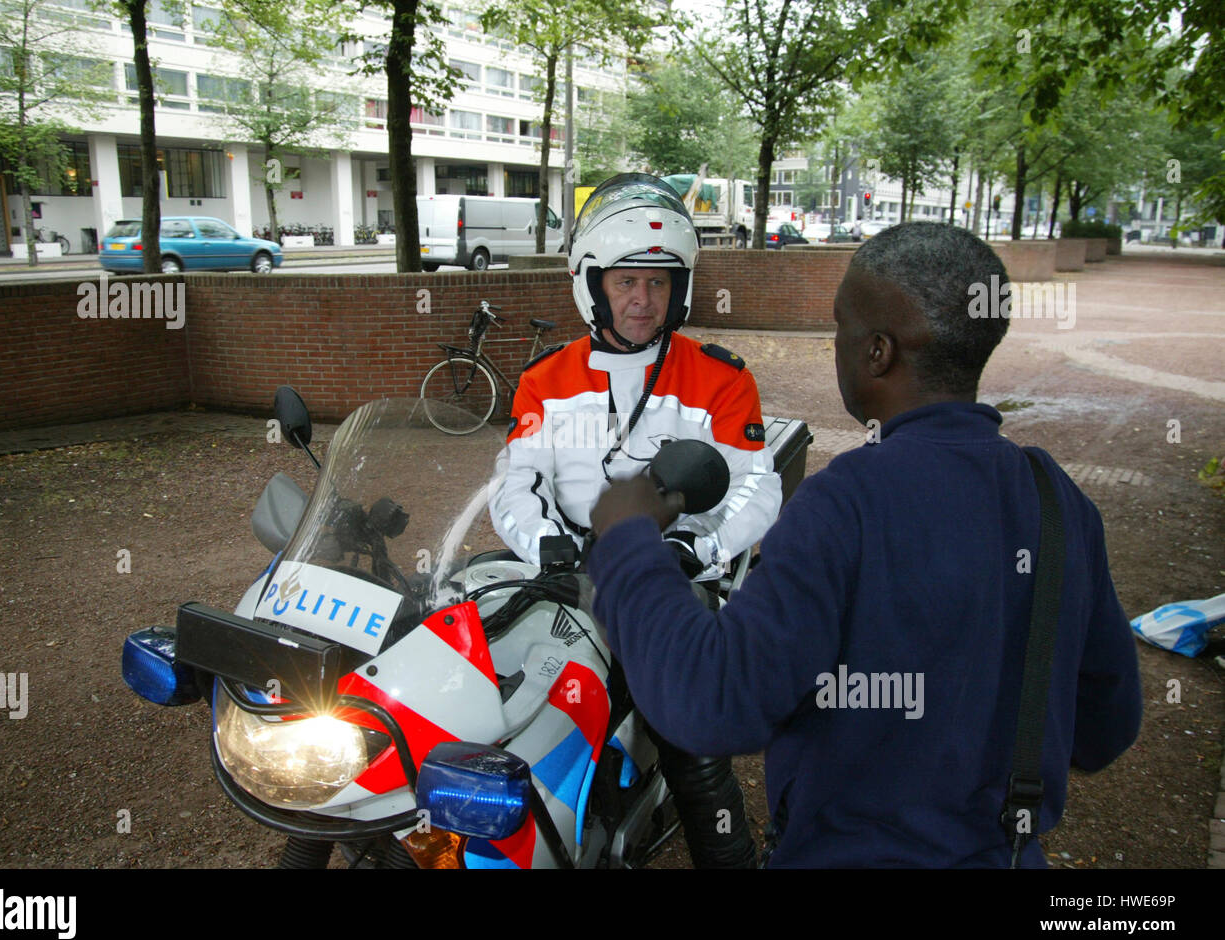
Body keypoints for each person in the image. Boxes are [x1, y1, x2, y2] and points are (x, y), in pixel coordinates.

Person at [586, 221, 1143, 868]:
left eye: (839, 328)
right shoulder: (1058, 501)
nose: (836, 345)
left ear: (877, 352)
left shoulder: (844, 503)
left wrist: (628, 542)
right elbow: (1106, 728)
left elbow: (714, 701)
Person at [488, 173, 783, 868]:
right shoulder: (545, 378)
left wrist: (697, 546)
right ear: (592, 284)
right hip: (564, 570)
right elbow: (513, 484)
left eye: (656, 282)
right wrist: (543, 542)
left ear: (677, 288)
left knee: (681, 702)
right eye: (625, 281)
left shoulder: (720, 376)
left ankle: (726, 851)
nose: (642, 300)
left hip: (671, 571)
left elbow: (756, 487)